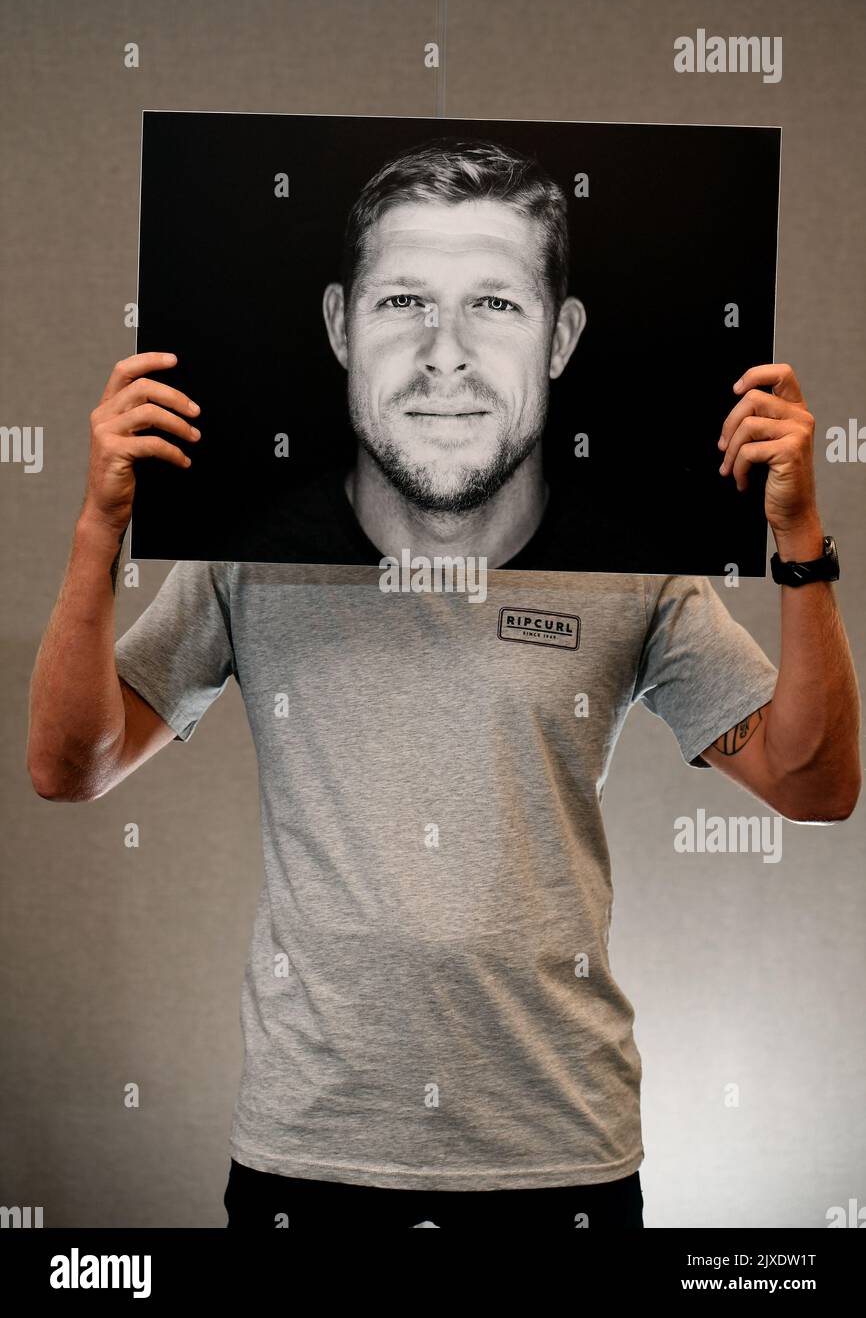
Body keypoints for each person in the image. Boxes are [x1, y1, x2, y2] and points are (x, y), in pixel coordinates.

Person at [26, 142, 861, 1232]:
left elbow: (814, 784)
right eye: (404, 299)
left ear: (560, 337)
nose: (444, 354)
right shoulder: (250, 555)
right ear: (340, 323)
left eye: (496, 305)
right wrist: (99, 528)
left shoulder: (634, 565)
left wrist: (796, 540)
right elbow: (68, 764)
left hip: (558, 1158)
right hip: (309, 1151)